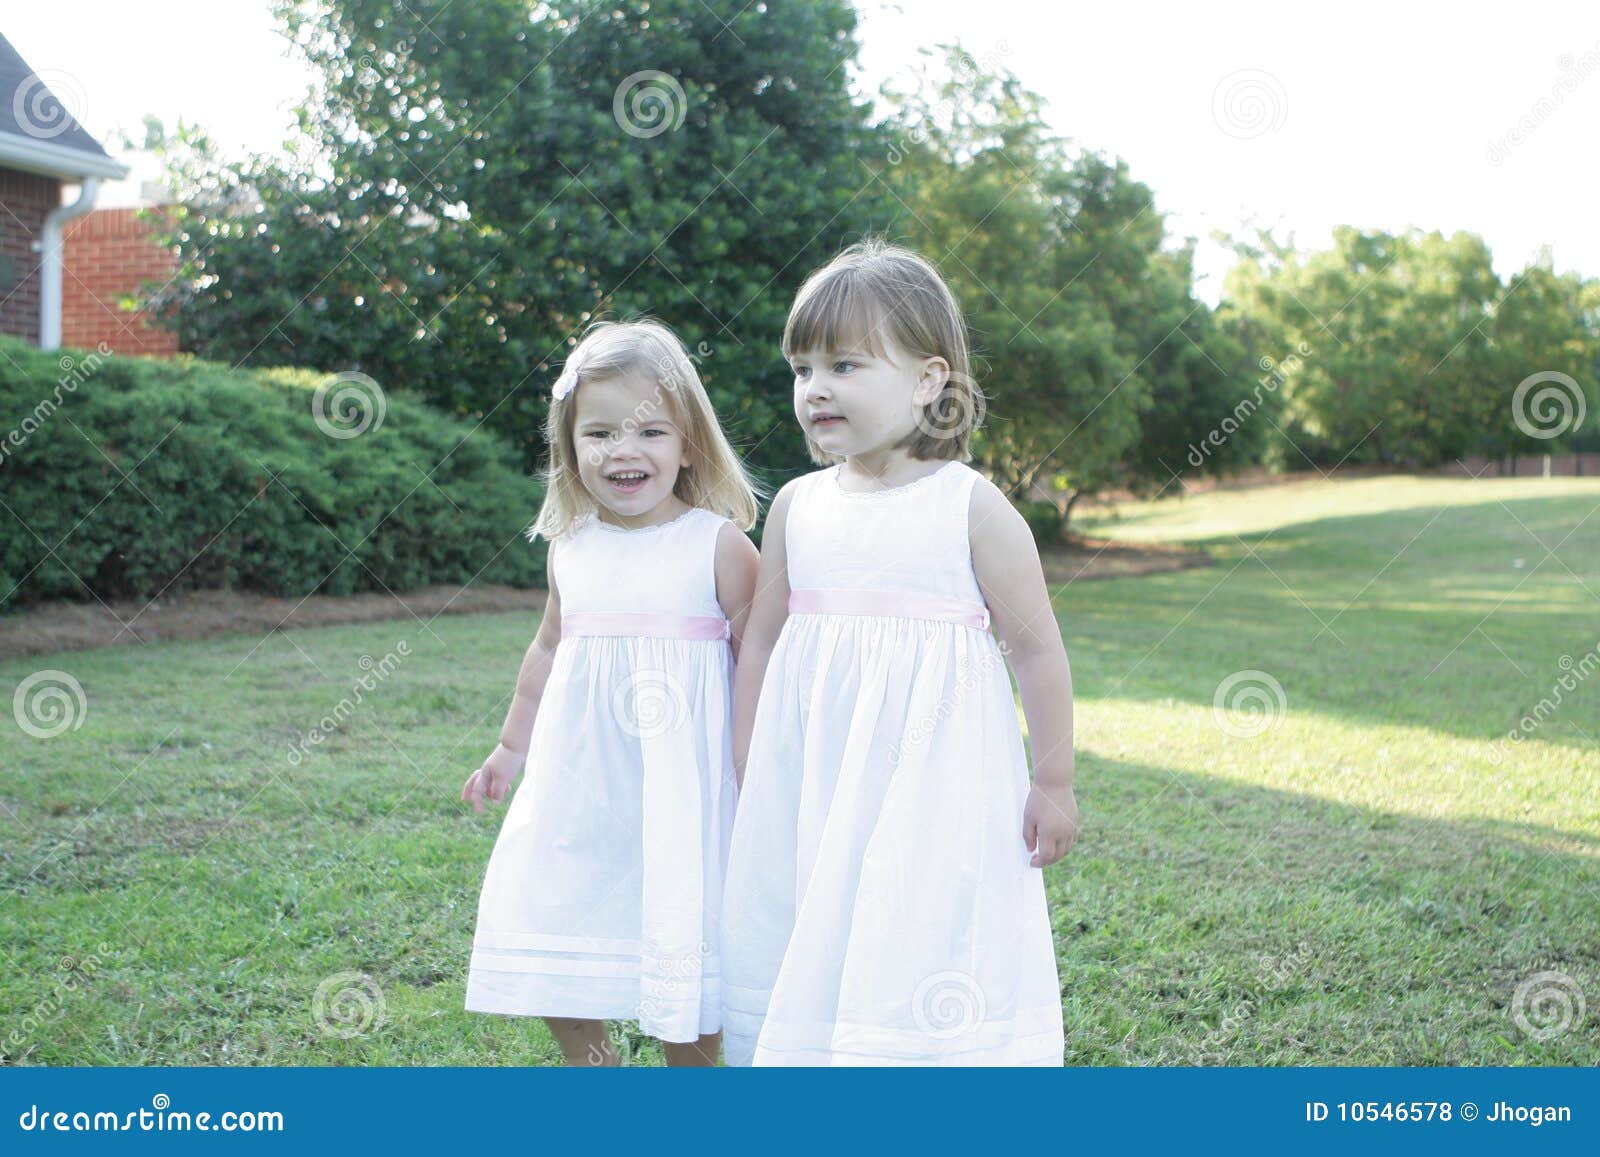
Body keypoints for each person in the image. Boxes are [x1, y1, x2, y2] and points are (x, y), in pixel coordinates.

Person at [721, 239, 1078, 1066]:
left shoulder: (971, 509)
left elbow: (1037, 651)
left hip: (936, 783)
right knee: (815, 914)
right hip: (814, 773)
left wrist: (1053, 780)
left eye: (845, 364)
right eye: (802, 368)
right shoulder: (797, 510)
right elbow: (764, 640)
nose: (816, 388)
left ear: (928, 378)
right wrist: (750, 756)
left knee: (918, 922)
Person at [462, 319, 761, 1066]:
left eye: (649, 431)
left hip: (682, 788)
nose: (623, 451)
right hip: (583, 785)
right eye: (598, 433)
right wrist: (508, 746)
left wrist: (761, 763)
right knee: (556, 904)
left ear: (689, 443)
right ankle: (593, 1066)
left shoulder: (716, 544)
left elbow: (762, 660)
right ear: (569, 447)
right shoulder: (572, 548)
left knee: (681, 930)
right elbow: (547, 646)